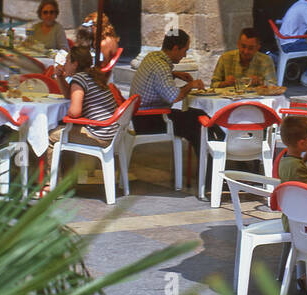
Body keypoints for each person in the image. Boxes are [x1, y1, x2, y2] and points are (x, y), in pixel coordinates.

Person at [45, 46, 119, 186]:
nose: (64, 64)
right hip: (112, 132)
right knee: (64, 133)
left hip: (99, 134)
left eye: (67, 61)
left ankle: (52, 185)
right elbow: (69, 95)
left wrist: (64, 117)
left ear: (75, 64)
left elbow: (75, 112)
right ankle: (67, 181)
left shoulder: (79, 79)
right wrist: (60, 77)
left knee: (51, 137)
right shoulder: (91, 75)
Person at [130, 30, 207, 151]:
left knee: (197, 114)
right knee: (197, 123)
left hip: (140, 117)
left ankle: (210, 158)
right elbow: (174, 97)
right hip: (149, 120)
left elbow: (155, 78)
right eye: (185, 51)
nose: (185, 55)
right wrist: (191, 85)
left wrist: (174, 74)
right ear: (176, 48)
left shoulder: (153, 56)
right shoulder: (161, 66)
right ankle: (209, 163)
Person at [211, 27, 275, 89]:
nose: (246, 51)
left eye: (250, 48)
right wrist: (226, 83)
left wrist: (260, 82)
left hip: (255, 99)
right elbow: (213, 85)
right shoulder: (225, 58)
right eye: (243, 46)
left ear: (258, 48)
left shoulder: (265, 60)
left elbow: (273, 85)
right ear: (238, 44)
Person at [277, 116, 307, 186]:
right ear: (301, 143)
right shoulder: (297, 167)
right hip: (300, 196)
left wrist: (305, 158)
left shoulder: (285, 158)